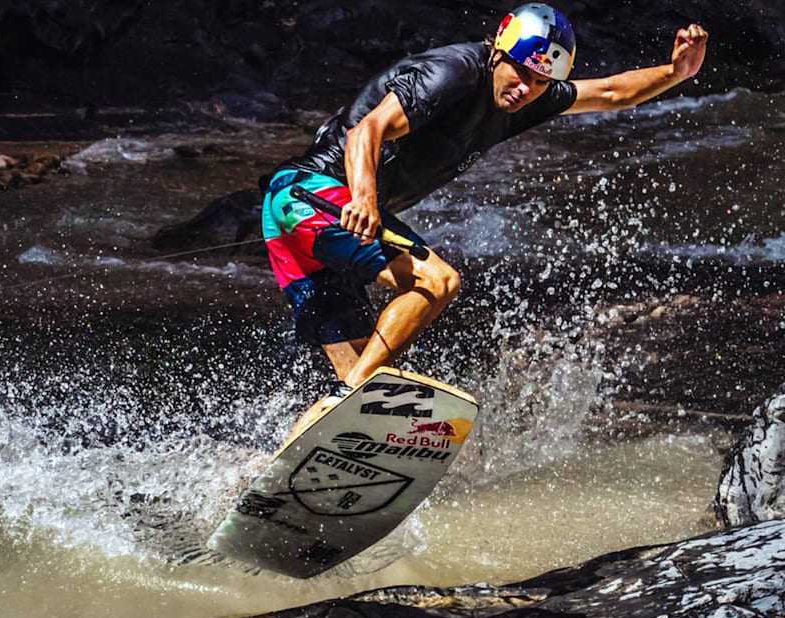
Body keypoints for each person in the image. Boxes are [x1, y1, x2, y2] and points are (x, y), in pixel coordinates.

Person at [261, 3, 708, 429]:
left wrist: (675, 73)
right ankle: (348, 398)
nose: (525, 88)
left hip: (292, 218)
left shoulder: (530, 98)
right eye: (521, 71)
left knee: (365, 375)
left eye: (540, 82)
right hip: (311, 195)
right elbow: (367, 130)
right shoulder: (451, 73)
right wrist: (364, 198)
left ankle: (275, 479)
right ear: (498, 48)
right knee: (436, 284)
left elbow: (611, 92)